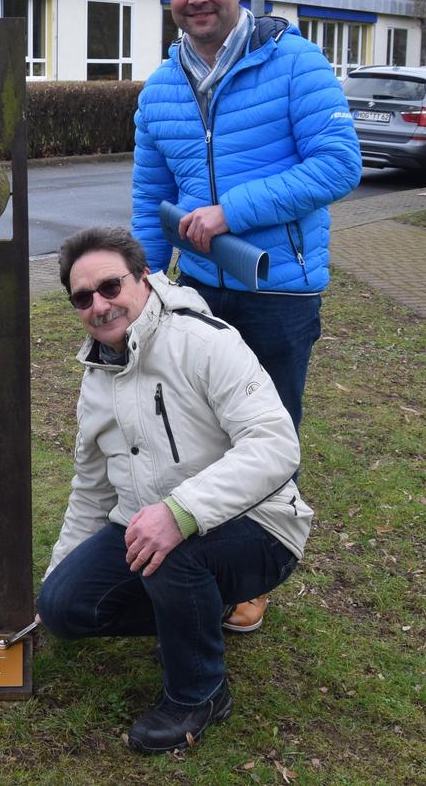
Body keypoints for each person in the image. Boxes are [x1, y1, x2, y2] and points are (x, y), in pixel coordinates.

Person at [131, 0, 359, 633]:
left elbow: (337, 165)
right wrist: (138, 280)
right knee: (198, 434)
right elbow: (149, 194)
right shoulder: (163, 86)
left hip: (280, 292)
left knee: (266, 434)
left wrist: (233, 211)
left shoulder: (294, 63)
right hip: (196, 290)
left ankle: (255, 576)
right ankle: (196, 551)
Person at [37, 227, 311, 753]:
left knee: (171, 551)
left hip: (260, 526)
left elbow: (276, 446)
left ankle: (199, 693)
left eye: (111, 286)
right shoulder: (96, 377)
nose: (99, 305)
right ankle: (190, 616)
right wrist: (58, 577)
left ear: (144, 277)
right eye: (82, 297)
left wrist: (181, 512)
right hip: (149, 525)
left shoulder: (205, 341)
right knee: (65, 608)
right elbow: (91, 492)